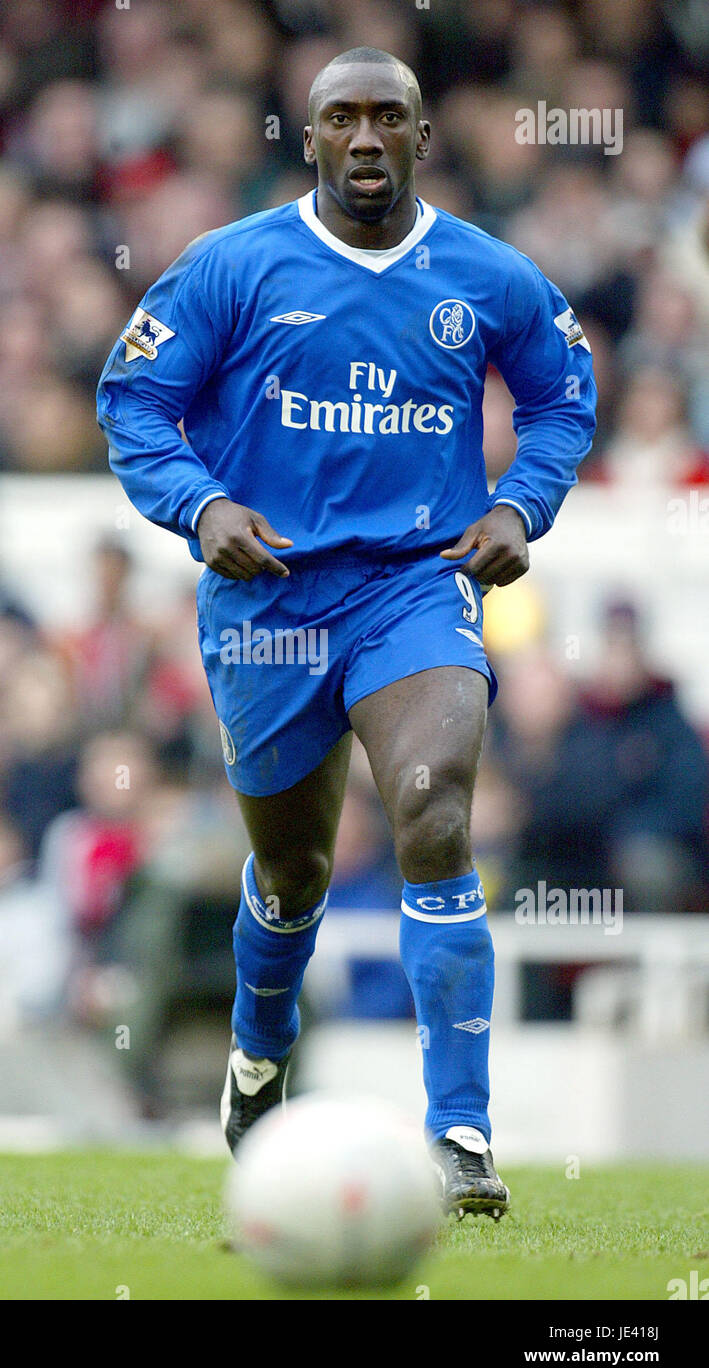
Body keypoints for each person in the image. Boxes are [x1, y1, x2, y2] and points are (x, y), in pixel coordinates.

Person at [97, 47, 596, 1219]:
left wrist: (521, 505)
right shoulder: (230, 268)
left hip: (413, 590)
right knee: (291, 867)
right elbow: (132, 401)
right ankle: (258, 1051)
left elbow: (563, 394)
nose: (364, 137)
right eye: (341, 119)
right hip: (266, 598)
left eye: (388, 117)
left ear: (422, 139)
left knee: (431, 810)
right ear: (306, 136)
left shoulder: (487, 276)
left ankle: (459, 1132)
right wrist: (203, 505)